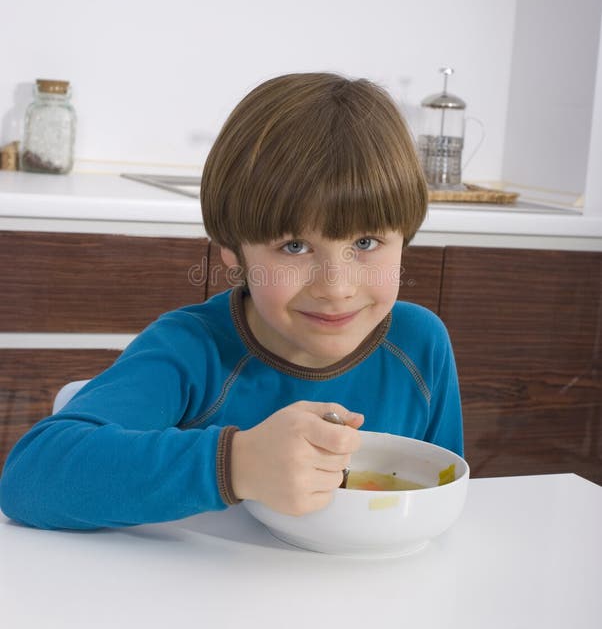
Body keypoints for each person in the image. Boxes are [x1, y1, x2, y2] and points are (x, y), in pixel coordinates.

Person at [0, 72, 463, 530]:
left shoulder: (421, 345)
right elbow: (29, 478)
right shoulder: (189, 350)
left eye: (365, 243)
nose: (336, 286)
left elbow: (442, 502)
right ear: (235, 255)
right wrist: (236, 466)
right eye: (295, 247)